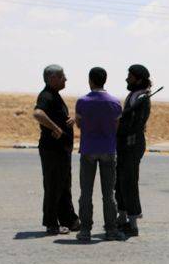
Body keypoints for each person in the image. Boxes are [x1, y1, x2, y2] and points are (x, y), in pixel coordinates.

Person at [74, 67, 125, 242]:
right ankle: (111, 229)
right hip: (108, 149)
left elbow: (79, 124)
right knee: (108, 193)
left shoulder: (82, 101)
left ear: (90, 80)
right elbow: (116, 127)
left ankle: (85, 230)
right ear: (105, 80)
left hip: (88, 148)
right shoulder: (115, 102)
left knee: (86, 192)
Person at [32, 64, 79, 236]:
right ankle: (51, 224)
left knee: (64, 185)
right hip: (52, 150)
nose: (65, 79)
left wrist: (68, 122)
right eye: (62, 76)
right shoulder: (46, 96)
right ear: (52, 79)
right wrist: (55, 128)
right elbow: (37, 114)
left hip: (61, 150)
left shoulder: (55, 96)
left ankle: (69, 220)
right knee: (53, 185)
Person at [115, 64, 152, 238]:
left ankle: (133, 223)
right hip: (124, 144)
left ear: (138, 79)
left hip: (133, 143)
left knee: (129, 181)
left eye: (130, 76)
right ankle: (121, 217)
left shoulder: (143, 98)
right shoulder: (134, 95)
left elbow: (134, 125)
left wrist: (118, 126)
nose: (127, 79)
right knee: (120, 181)